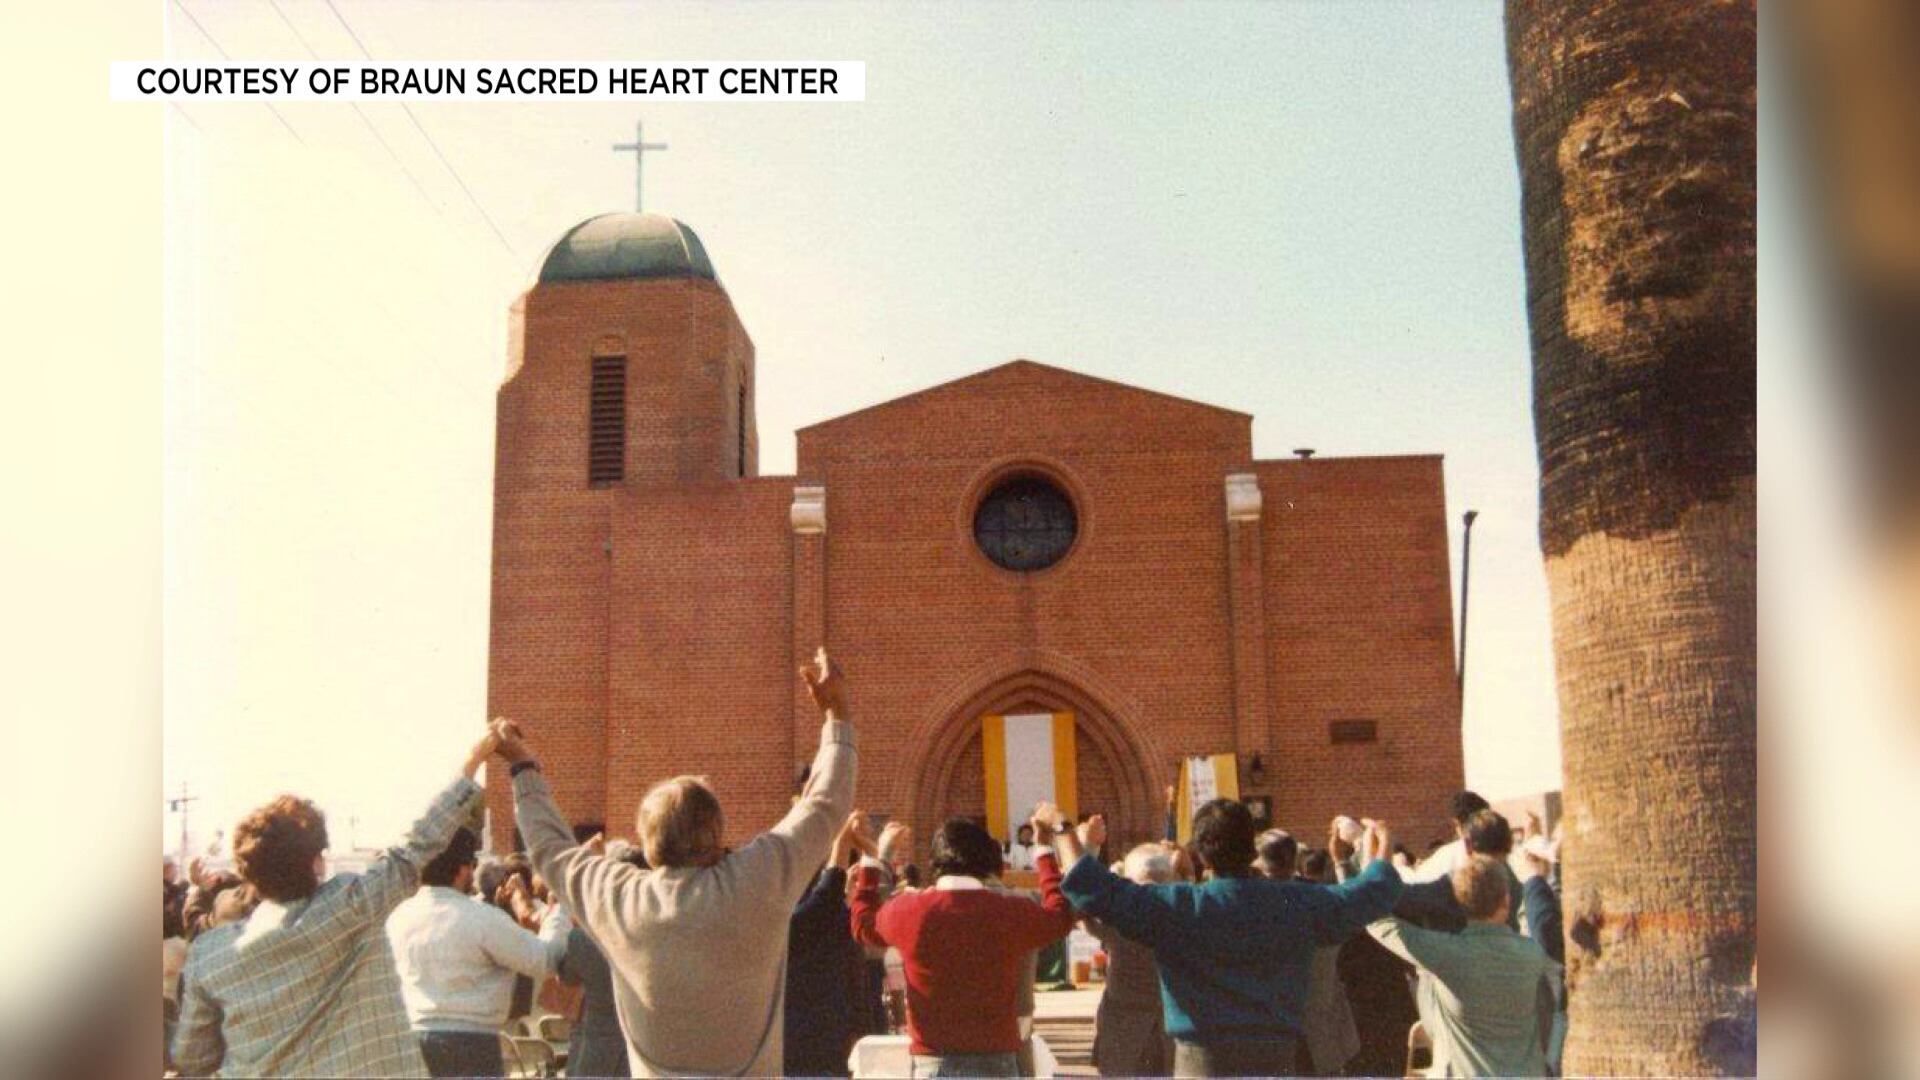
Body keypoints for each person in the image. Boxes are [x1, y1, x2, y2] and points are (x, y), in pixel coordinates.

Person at [498, 646, 857, 1077]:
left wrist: (523, 766)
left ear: (649, 846)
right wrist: (836, 716)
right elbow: (825, 805)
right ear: (716, 833)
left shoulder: (618, 896)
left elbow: (549, 847)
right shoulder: (759, 877)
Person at [171, 729, 498, 1078]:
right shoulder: (351, 906)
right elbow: (415, 848)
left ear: (248, 871)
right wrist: (473, 761)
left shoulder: (210, 955)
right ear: (316, 861)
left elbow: (192, 1059)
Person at [1054, 800, 1403, 1078]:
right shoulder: (1296, 904)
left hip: (1201, 1063)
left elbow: (1090, 886)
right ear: (1252, 850)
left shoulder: (1179, 908)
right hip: (1276, 1058)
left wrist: (1061, 829)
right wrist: (1380, 847)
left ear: (1201, 855)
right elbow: (1372, 893)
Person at [849, 804, 1076, 1078]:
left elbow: (862, 924)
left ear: (935, 862)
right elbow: (1061, 916)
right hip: (997, 1060)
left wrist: (874, 860)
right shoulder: (1009, 909)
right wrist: (1043, 850)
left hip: (933, 1062)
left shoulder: (908, 910)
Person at [385, 826, 569, 1077]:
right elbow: (545, 960)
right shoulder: (483, 919)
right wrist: (559, 913)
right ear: (462, 869)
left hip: (411, 1041)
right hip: (472, 1044)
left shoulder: (397, 918)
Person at [1366, 854, 1560, 1077]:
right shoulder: (1533, 954)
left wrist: (1375, 861)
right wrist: (1535, 880)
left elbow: (1376, 921)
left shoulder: (1445, 953)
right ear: (1506, 900)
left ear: (1461, 902)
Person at [784, 811, 873, 1077]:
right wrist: (842, 847)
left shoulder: (831, 920)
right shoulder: (795, 923)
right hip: (810, 1053)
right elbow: (821, 904)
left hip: (822, 1050)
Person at [557, 837, 646, 1079]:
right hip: (647, 1054)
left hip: (597, 1051)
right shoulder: (666, 937)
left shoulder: (582, 937)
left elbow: (566, 977)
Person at [1087, 841, 1176, 1077]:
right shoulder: (1184, 916)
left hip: (1122, 1031)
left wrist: (1090, 850)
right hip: (1169, 1031)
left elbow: (1080, 902)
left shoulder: (1116, 920)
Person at [1393, 810, 1523, 932]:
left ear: (1467, 845)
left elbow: (1398, 898)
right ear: (1509, 845)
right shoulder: (1519, 885)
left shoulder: (1451, 887)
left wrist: (1395, 866)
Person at [1405, 791, 1491, 883]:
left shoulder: (1448, 856)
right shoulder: (1499, 856)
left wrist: (1401, 867)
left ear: (1456, 823)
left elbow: (1415, 882)